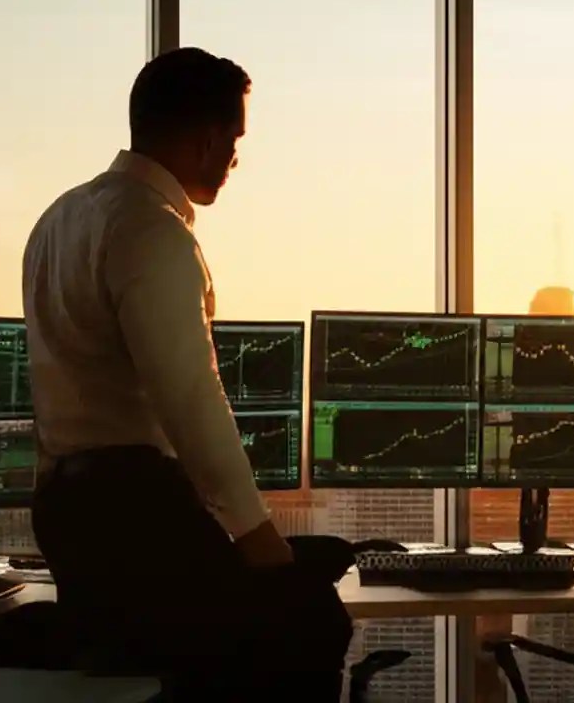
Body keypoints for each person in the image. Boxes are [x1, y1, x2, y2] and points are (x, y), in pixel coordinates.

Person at [22, 47, 352, 699]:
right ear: (208, 139)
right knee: (311, 620)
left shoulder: (59, 219)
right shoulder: (153, 231)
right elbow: (191, 398)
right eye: (233, 140)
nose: (235, 159)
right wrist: (259, 540)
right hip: (138, 513)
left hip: (66, 508)